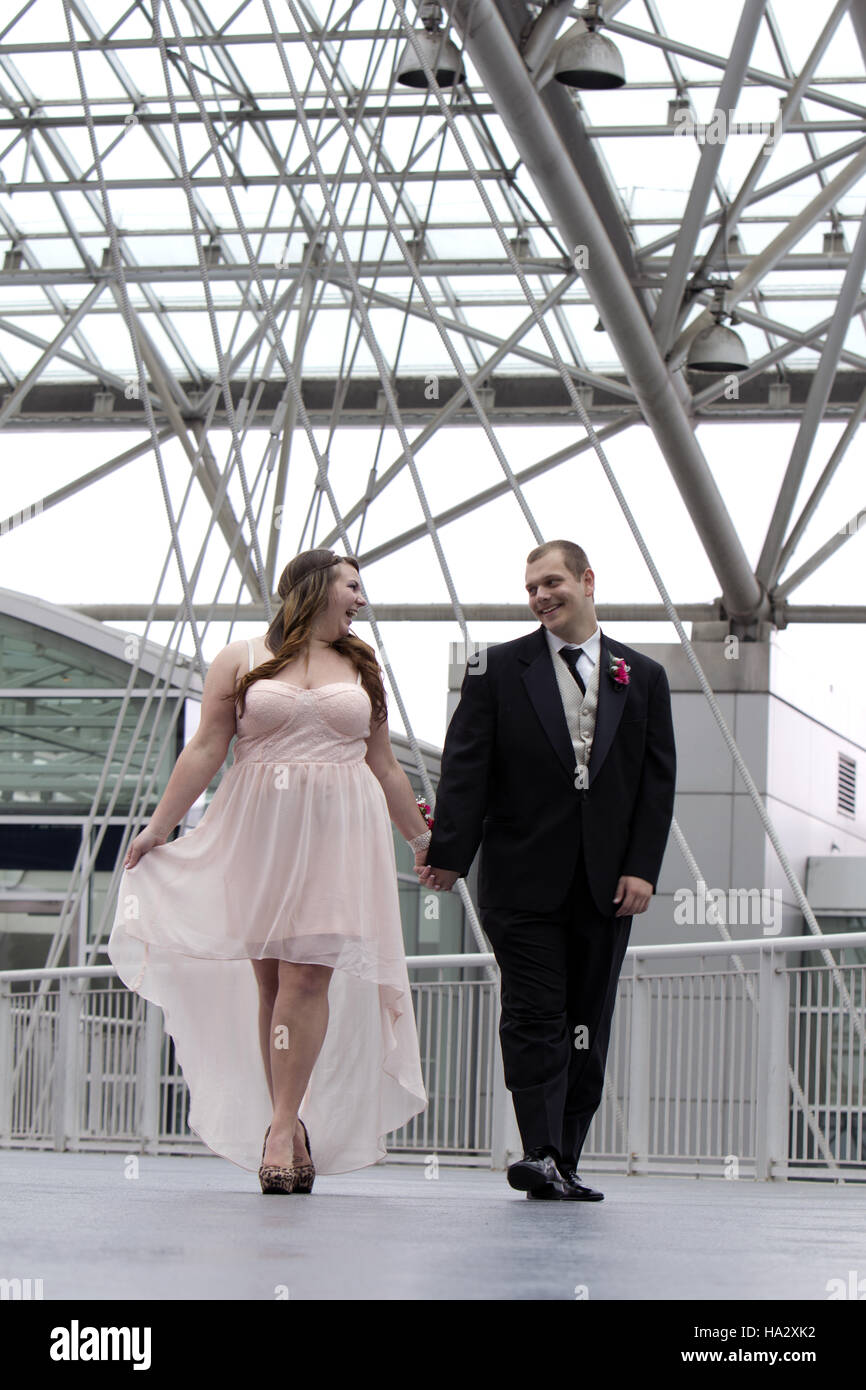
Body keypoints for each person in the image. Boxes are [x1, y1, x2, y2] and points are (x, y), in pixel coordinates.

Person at [108, 549, 429, 1193]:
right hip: (258, 831)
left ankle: (280, 1130)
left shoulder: (362, 666)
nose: (361, 600)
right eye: (353, 586)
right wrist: (158, 826)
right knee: (270, 986)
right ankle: (291, 1124)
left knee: (307, 978)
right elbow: (206, 747)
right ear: (315, 588)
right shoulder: (241, 656)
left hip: (340, 837)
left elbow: (385, 765)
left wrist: (422, 840)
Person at [417, 540, 676, 1201]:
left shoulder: (640, 676)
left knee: (588, 1017)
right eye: (531, 587)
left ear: (588, 581)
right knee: (534, 1012)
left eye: (552, 582)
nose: (540, 596)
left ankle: (566, 1155)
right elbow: (467, 765)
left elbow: (656, 781)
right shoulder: (496, 669)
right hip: (519, 880)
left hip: (606, 884)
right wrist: (449, 853)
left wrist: (643, 868)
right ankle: (540, 1152)